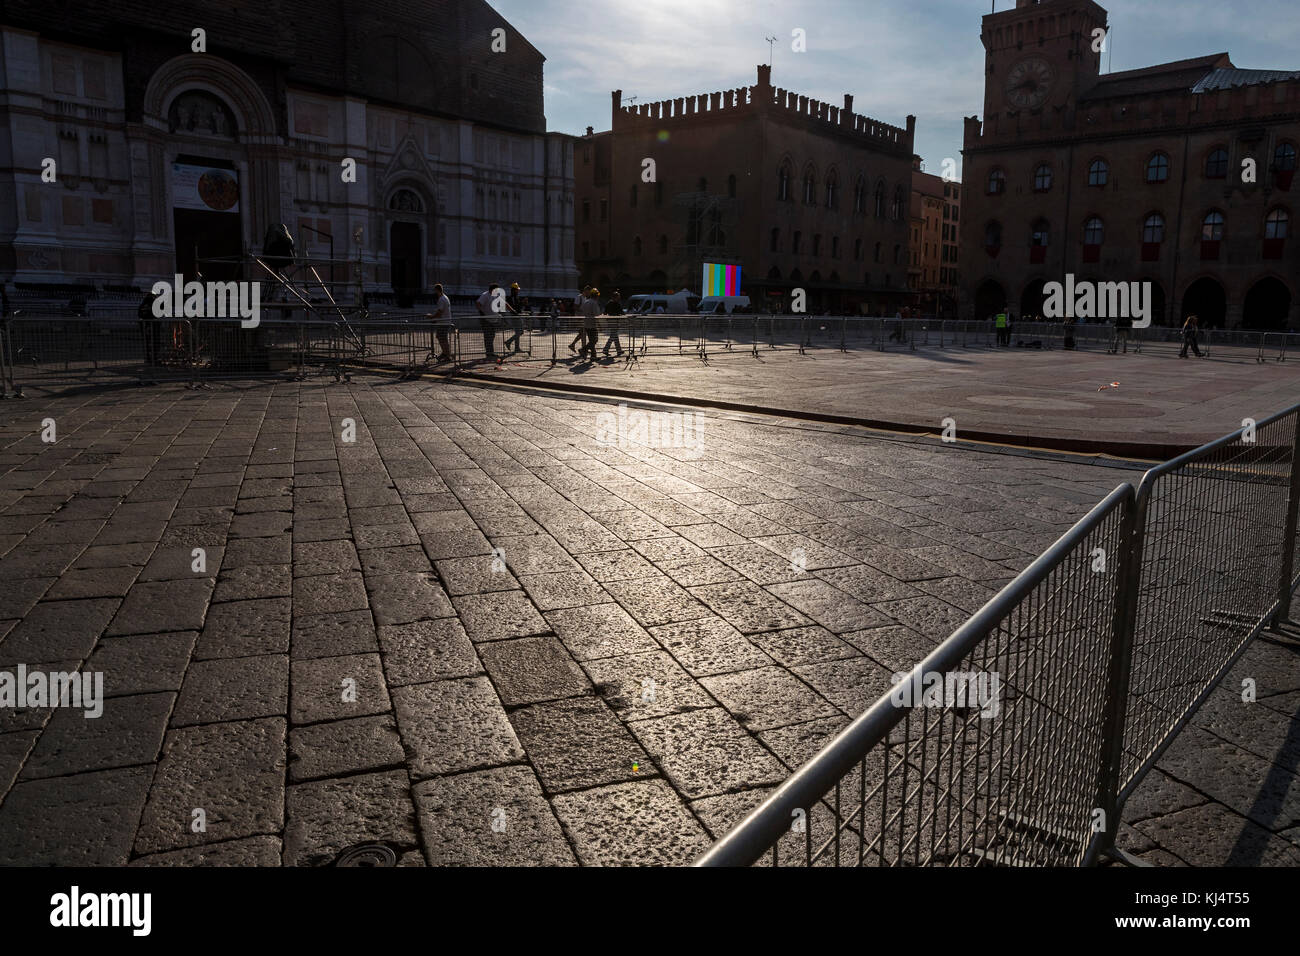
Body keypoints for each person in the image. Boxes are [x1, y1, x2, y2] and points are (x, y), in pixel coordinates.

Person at [476, 283, 502, 361]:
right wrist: (482, 313)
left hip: (493, 319)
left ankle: (490, 352)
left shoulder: (496, 295)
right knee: (488, 336)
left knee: (492, 335)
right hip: (486, 319)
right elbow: (478, 303)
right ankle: (489, 352)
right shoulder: (485, 295)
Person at [428, 283, 453, 363]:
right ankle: (445, 353)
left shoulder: (441, 299)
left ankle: (447, 355)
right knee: (441, 337)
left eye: (435, 291)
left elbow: (440, 312)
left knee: (443, 338)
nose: (434, 293)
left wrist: (431, 317)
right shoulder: (445, 297)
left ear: (437, 290)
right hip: (444, 321)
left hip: (443, 322)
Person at [580, 286, 602, 360]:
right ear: (596, 296)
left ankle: (593, 356)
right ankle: (583, 349)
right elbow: (596, 314)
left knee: (591, 340)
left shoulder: (586, 301)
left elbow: (582, 310)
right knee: (594, 340)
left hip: (586, 323)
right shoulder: (594, 303)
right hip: (593, 324)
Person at [602, 290, 625, 357]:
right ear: (615, 297)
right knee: (613, 336)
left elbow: (605, 313)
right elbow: (622, 312)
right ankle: (606, 349)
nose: (619, 298)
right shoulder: (617, 304)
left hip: (610, 321)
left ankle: (618, 350)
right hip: (615, 321)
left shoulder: (608, 303)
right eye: (618, 297)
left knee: (614, 336)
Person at [568, 287, 590, 354]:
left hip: (583, 318)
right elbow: (575, 307)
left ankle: (574, 345)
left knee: (582, 333)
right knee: (583, 333)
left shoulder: (585, 298)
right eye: (588, 291)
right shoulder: (579, 297)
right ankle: (583, 349)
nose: (589, 293)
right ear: (585, 290)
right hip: (579, 318)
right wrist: (583, 311)